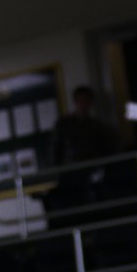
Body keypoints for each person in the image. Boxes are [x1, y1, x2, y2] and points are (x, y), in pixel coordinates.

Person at [48, 86, 122, 223]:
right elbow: (56, 148)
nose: (84, 105)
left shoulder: (97, 126)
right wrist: (58, 170)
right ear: (76, 102)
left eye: (87, 101)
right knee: (73, 206)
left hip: (91, 172)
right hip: (70, 172)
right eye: (81, 101)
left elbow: (106, 149)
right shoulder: (64, 124)